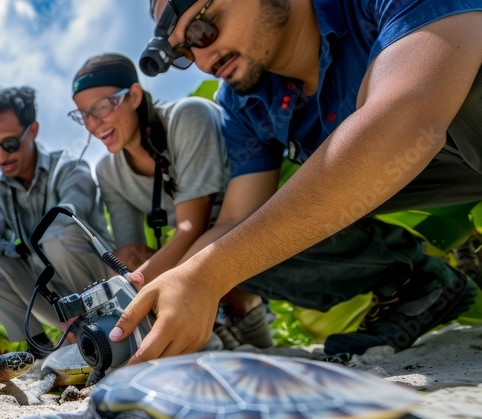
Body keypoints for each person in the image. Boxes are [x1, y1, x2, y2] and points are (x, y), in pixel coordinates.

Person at [111, 0, 481, 362]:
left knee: (455, 68)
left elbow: (404, 117)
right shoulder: (244, 101)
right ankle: (415, 283)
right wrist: (176, 287)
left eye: (202, 29)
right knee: (236, 234)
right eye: (185, 53)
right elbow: (235, 222)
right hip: (429, 175)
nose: (205, 63)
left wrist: (211, 274)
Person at [71, 53, 271, 349]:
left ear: (134, 95)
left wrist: (120, 305)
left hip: (249, 243)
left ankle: (245, 309)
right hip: (191, 260)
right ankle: (209, 335)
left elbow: (192, 228)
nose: (92, 123)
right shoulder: (108, 170)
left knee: (135, 283)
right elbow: (128, 262)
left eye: (101, 107)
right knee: (126, 259)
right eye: (83, 114)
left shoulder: (188, 116)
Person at [0, 86, 115, 358]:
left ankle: (102, 325)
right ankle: (41, 349)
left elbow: (66, 220)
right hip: (52, 297)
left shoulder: (70, 167)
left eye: (9, 144)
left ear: (32, 130)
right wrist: (11, 249)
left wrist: (10, 245)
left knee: (57, 238)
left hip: (101, 286)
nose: (0, 156)